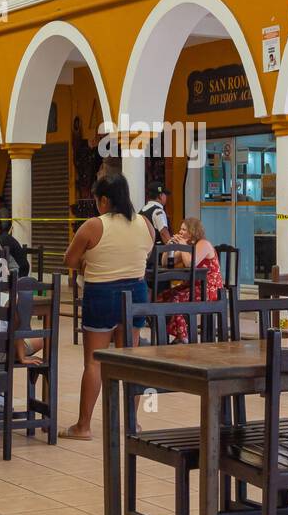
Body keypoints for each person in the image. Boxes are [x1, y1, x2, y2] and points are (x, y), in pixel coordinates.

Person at [61, 172, 154, 440]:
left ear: (103, 200)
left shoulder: (93, 226)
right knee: (131, 359)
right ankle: (132, 424)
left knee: (94, 362)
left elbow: (70, 260)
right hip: (136, 292)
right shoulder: (145, 224)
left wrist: (88, 262)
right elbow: (144, 253)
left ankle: (83, 426)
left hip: (101, 293)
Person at [157, 217, 223, 343]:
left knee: (176, 299)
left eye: (184, 229)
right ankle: (164, 336)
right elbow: (165, 262)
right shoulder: (187, 246)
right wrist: (170, 246)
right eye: (180, 229)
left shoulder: (203, 244)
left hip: (208, 287)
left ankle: (183, 337)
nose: (180, 232)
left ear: (192, 231)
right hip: (192, 285)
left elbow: (189, 263)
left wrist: (182, 246)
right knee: (163, 296)